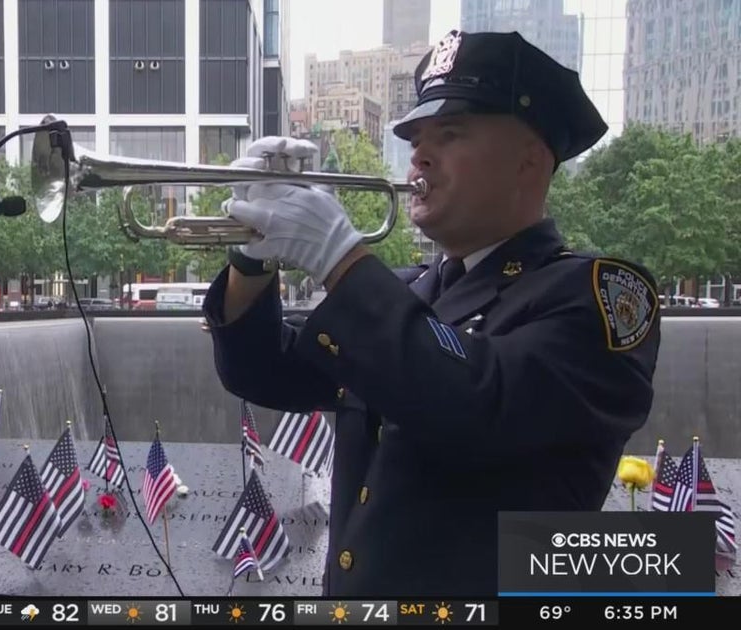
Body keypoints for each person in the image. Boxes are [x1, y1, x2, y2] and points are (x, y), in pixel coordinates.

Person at [201, 30, 661, 597]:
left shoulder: (593, 294)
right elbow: (262, 370)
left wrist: (340, 260)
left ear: (529, 160)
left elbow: (474, 401)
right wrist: (253, 253)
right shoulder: (405, 291)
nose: (418, 155)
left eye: (450, 133)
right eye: (417, 136)